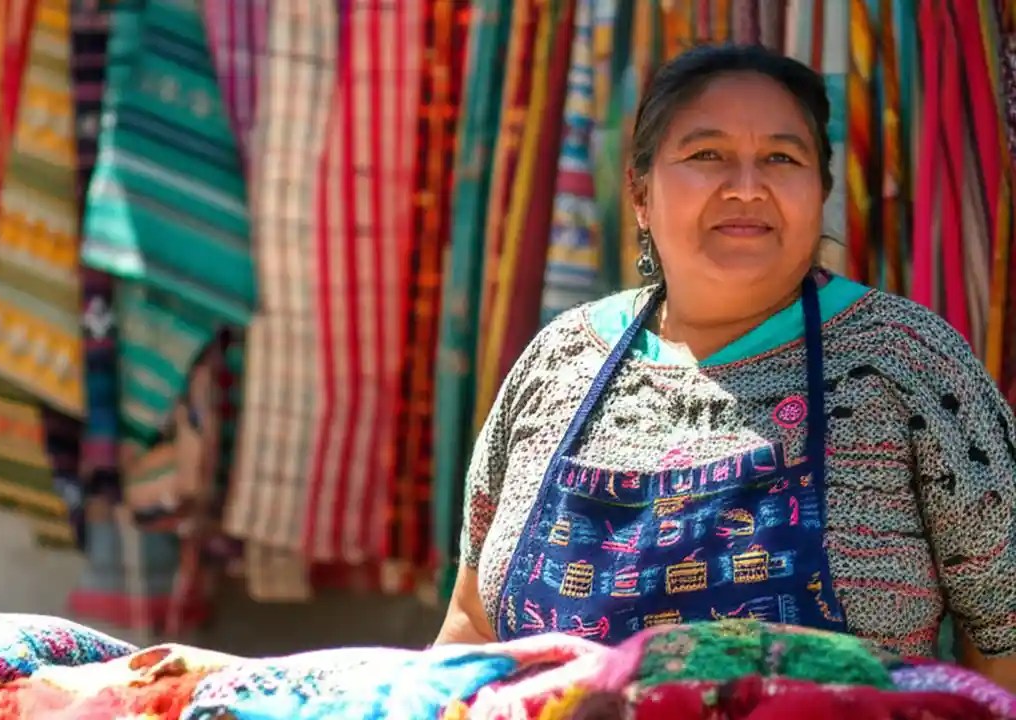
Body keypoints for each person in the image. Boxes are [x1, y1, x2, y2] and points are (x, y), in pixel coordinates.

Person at [434, 43, 1016, 691]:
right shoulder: (556, 362)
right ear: (640, 193)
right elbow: (474, 628)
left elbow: (1006, 639)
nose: (746, 185)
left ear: (820, 190)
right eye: (706, 155)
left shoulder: (903, 359)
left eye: (781, 157)